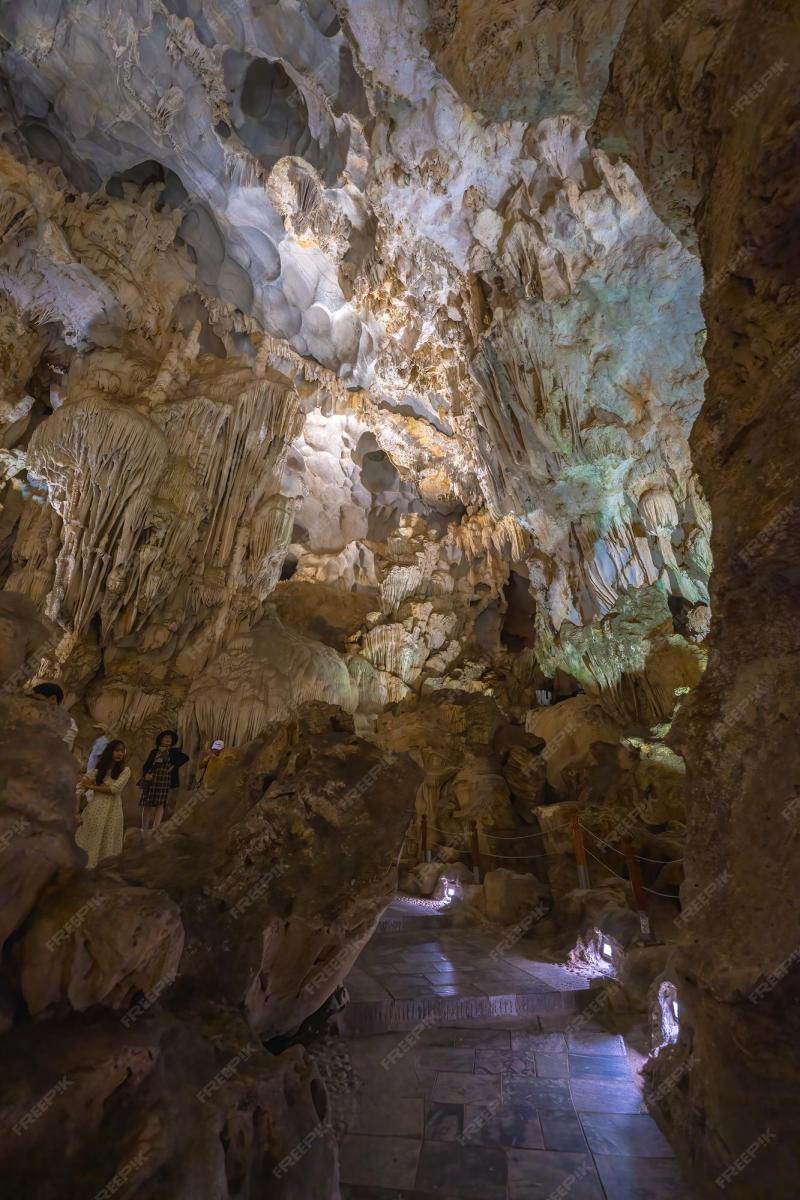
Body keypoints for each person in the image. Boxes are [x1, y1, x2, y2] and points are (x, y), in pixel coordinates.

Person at [75, 740, 129, 868]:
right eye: (117, 750)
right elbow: (80, 788)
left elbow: (115, 789)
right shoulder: (98, 771)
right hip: (94, 810)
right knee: (90, 838)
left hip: (112, 812)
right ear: (110, 752)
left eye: (122, 751)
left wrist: (92, 787)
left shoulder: (125, 770)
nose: (119, 754)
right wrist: (76, 810)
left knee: (107, 841)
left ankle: (103, 869)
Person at [139, 730, 188, 832]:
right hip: (152, 779)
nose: (168, 739)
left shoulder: (174, 751)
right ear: (160, 739)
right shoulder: (154, 752)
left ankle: (155, 828)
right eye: (166, 737)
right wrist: (145, 774)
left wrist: (174, 766)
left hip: (164, 780)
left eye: (170, 738)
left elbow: (185, 757)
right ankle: (144, 828)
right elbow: (147, 765)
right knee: (147, 803)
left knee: (160, 804)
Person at [31, 681, 78, 750]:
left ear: (53, 699)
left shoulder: (68, 723)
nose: (33, 703)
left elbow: (58, 747)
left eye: (38, 700)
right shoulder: (31, 714)